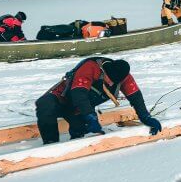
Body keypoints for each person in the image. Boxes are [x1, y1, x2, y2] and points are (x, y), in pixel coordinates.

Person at [34, 57, 162, 144]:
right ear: (104, 71)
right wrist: (90, 116)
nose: (111, 83)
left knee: (82, 129)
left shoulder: (124, 76)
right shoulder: (91, 66)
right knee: (45, 106)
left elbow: (136, 97)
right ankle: (51, 145)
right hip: (61, 98)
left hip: (77, 108)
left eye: (114, 82)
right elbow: (79, 94)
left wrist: (145, 117)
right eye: (109, 79)